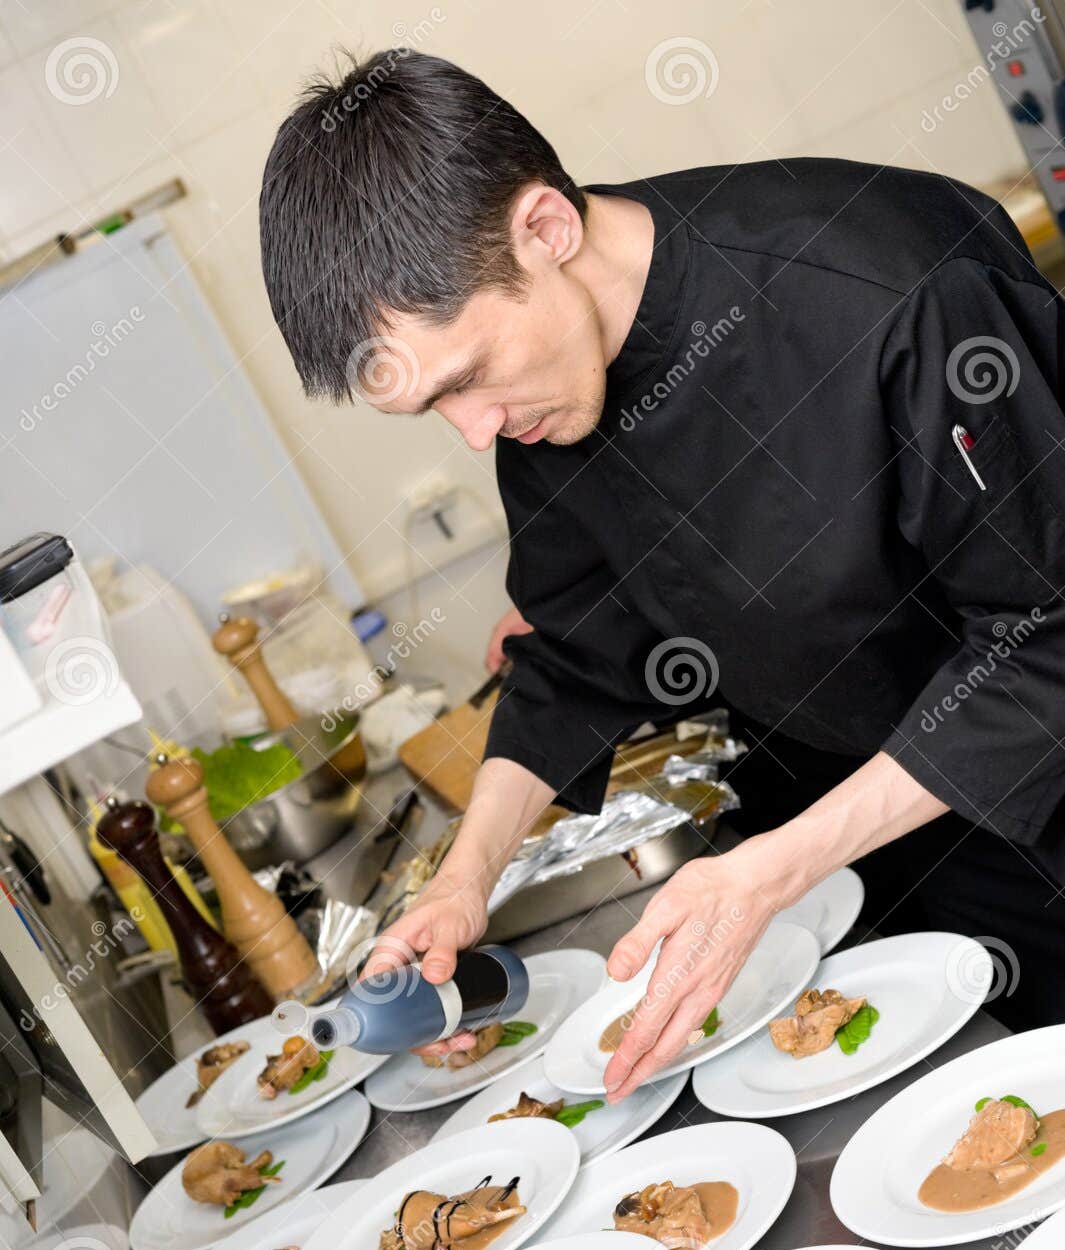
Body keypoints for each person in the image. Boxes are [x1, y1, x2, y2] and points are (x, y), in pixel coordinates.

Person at [259, 50, 1065, 1100]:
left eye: (467, 380)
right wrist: (465, 878)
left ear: (546, 230)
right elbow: (577, 649)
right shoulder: (550, 387)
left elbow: (1046, 634)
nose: (475, 433)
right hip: (869, 850)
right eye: (431, 410)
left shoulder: (888, 288)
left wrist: (779, 863)